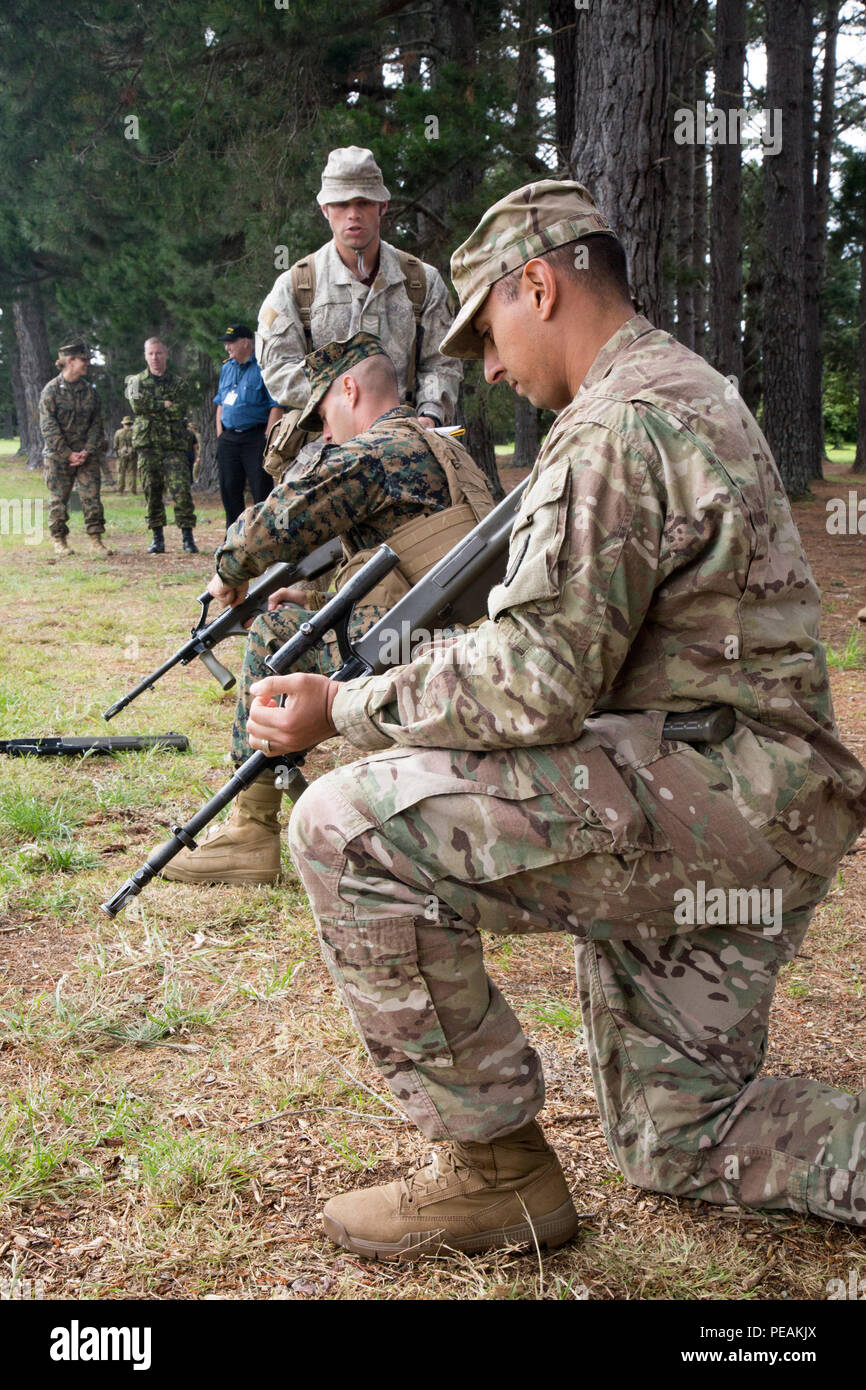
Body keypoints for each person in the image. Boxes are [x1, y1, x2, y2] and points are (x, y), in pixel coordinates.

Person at [243, 181, 866, 1259]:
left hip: (720, 793)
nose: (487, 365)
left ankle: (494, 1175)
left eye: (487, 328)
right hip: (749, 798)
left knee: (345, 823)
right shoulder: (676, 388)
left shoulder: (615, 426)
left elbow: (533, 681)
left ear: (538, 285)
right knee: (678, 1137)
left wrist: (344, 707)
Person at [163, 332, 493, 888]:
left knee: (274, 632)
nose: (324, 433)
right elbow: (413, 565)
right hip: (472, 640)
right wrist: (318, 600)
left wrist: (227, 572)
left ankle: (253, 830)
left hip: (424, 653)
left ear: (348, 388)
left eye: (322, 415)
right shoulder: (446, 448)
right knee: (298, 615)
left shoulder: (374, 452)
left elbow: (277, 523)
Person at [256, 146, 462, 480]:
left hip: (405, 457)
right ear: (325, 209)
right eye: (342, 204)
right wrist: (341, 404)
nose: (353, 214)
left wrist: (430, 416)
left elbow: (441, 363)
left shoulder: (421, 282)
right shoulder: (296, 286)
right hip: (320, 460)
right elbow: (278, 371)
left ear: (382, 207)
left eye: (364, 203)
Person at [38, 341, 113, 556]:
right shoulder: (50, 391)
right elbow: (48, 427)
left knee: (91, 497)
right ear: (70, 361)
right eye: (83, 359)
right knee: (59, 498)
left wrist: (87, 451)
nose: (87, 364)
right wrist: (67, 453)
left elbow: (97, 424)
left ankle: (95, 540)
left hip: (86, 456)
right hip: (58, 457)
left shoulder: (89, 391)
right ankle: (59, 540)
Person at [125, 338, 198, 554]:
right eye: (151, 354)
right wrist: (163, 404)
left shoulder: (179, 384)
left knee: (181, 490)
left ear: (166, 354)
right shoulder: (136, 382)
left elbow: (180, 410)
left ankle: (188, 537)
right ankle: (157, 538)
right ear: (145, 355)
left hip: (174, 446)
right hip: (148, 446)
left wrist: (153, 408)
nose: (155, 358)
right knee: (152, 490)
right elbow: (137, 407)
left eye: (159, 353)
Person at [213, 324, 282, 528]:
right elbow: (220, 403)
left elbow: (276, 406)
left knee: (261, 489)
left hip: (255, 438)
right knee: (229, 489)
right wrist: (220, 435)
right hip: (229, 439)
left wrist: (267, 439)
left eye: (231, 343)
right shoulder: (227, 368)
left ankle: (263, 535)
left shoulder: (263, 368)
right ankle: (233, 537)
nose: (227, 348)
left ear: (246, 342)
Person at [113, 416, 138, 495]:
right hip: (132, 455)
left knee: (121, 473)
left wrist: (118, 452)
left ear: (123, 424)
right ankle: (132, 491)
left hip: (121, 456)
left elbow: (115, 445)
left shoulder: (118, 432)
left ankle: (120, 491)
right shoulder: (135, 432)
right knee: (132, 473)